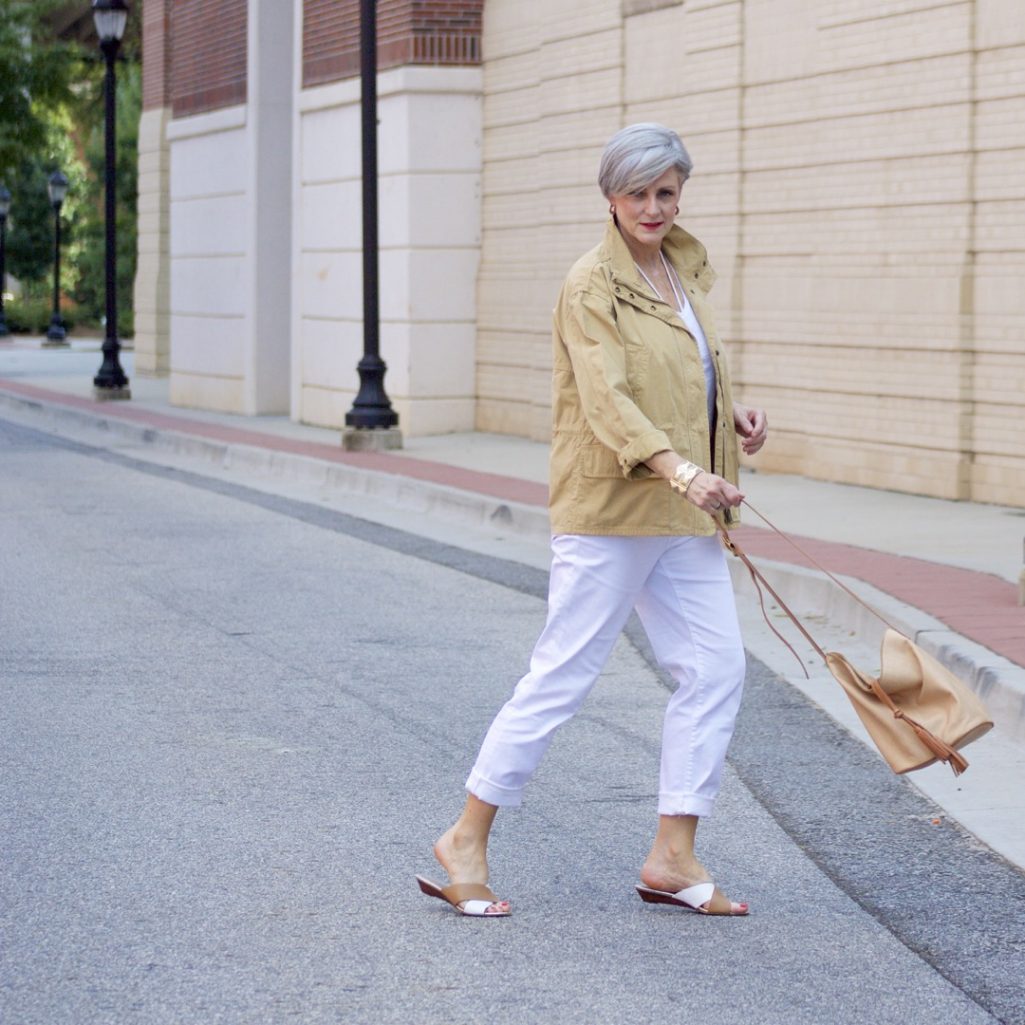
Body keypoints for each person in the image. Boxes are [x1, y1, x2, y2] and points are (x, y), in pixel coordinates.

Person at [416, 123, 768, 918]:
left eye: (666, 191)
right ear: (610, 197)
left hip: (681, 506)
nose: (653, 207)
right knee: (562, 675)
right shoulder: (589, 284)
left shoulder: (682, 268)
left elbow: (681, 376)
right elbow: (608, 399)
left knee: (715, 669)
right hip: (613, 507)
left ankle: (672, 854)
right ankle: (464, 838)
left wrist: (730, 418)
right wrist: (681, 465)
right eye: (638, 193)